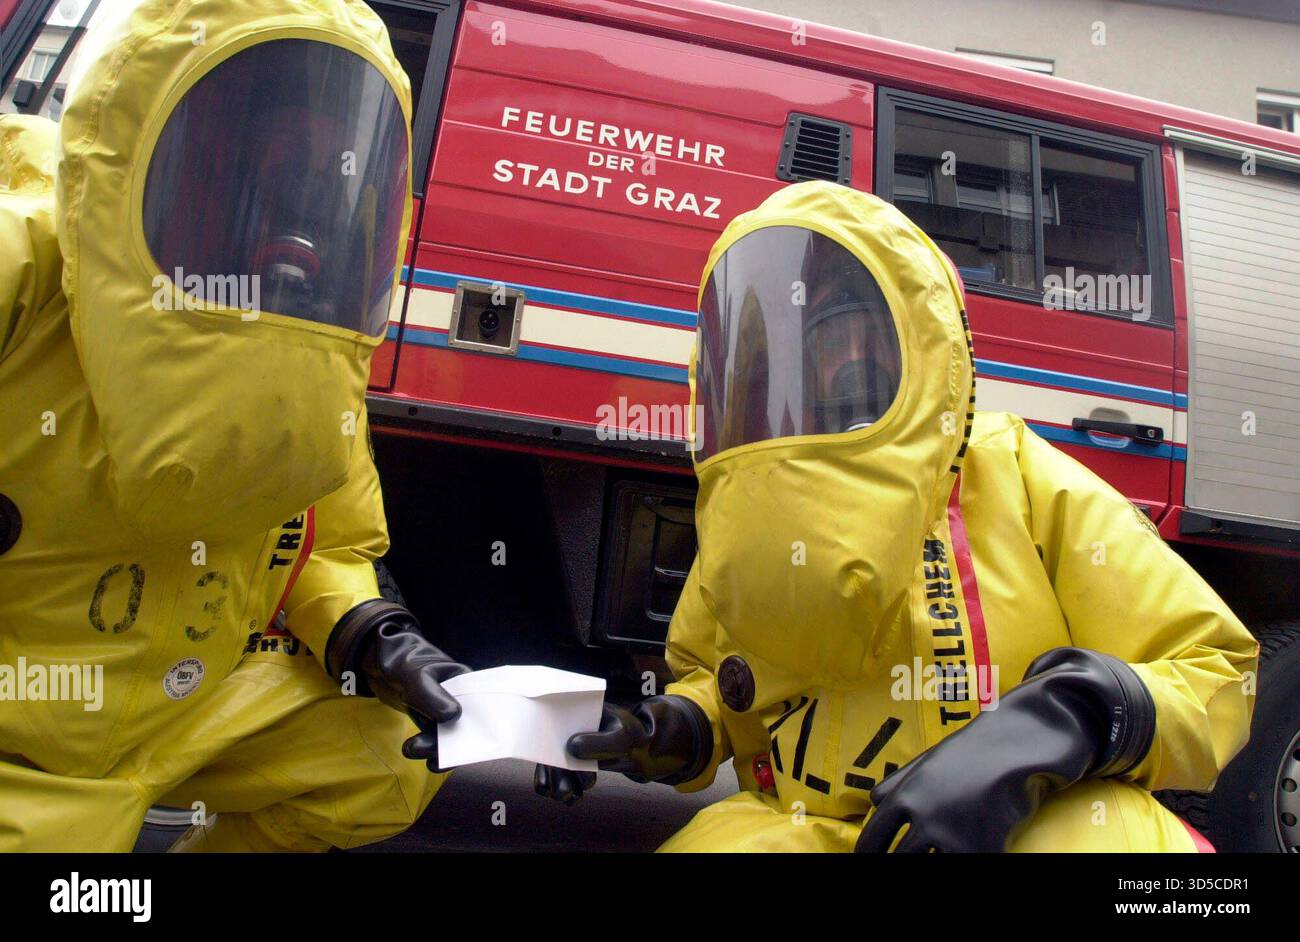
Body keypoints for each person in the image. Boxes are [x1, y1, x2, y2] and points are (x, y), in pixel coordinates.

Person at [536, 180, 1259, 852]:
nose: (849, 359)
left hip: (1025, 821)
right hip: (809, 827)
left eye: (868, 335)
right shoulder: (764, 501)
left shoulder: (1012, 473)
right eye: (826, 341)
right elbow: (730, 685)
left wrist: (1064, 723)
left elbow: (1213, 670)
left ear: (919, 349)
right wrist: (670, 727)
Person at [0, 0, 467, 852]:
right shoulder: (24, 272)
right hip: (20, 742)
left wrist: (377, 637)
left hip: (174, 707)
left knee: (383, 758)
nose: (299, 198)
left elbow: (326, 543)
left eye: (332, 171)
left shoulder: (297, 351)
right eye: (267, 156)